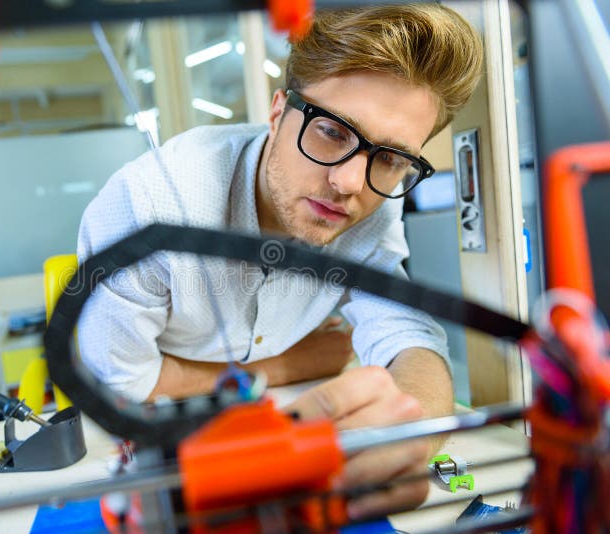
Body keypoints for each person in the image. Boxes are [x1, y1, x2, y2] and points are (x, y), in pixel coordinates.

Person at [76, 3, 483, 519]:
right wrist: (300, 362)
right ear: (277, 112)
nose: (349, 184)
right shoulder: (148, 205)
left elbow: (410, 338)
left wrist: (413, 437)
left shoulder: (374, 207)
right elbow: (122, 384)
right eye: (332, 131)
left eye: (390, 158)